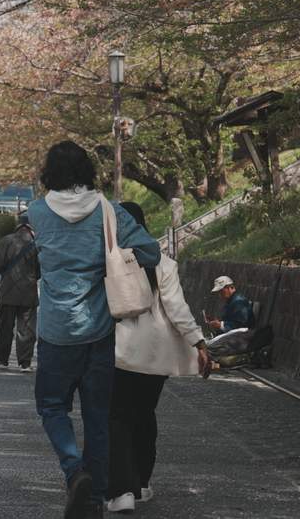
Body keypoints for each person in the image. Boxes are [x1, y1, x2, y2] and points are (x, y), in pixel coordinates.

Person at [29, 140, 160, 519]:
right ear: (87, 170)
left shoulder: (37, 212)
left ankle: (75, 472)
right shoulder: (109, 211)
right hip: (99, 329)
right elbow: (151, 251)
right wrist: (112, 256)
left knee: (52, 406)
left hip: (55, 330)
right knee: (97, 414)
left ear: (49, 172)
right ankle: (98, 495)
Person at [106, 202, 210, 514]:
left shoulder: (111, 261)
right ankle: (142, 484)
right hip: (157, 355)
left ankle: (121, 489)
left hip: (121, 352)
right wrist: (199, 342)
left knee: (117, 418)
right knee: (144, 414)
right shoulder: (164, 263)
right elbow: (177, 309)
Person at [0, 211, 39, 372]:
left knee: (5, 327)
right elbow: (41, 270)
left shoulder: (6, 241)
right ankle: (24, 362)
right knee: (26, 328)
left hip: (7, 291)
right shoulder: (36, 244)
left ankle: (2, 359)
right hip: (28, 292)